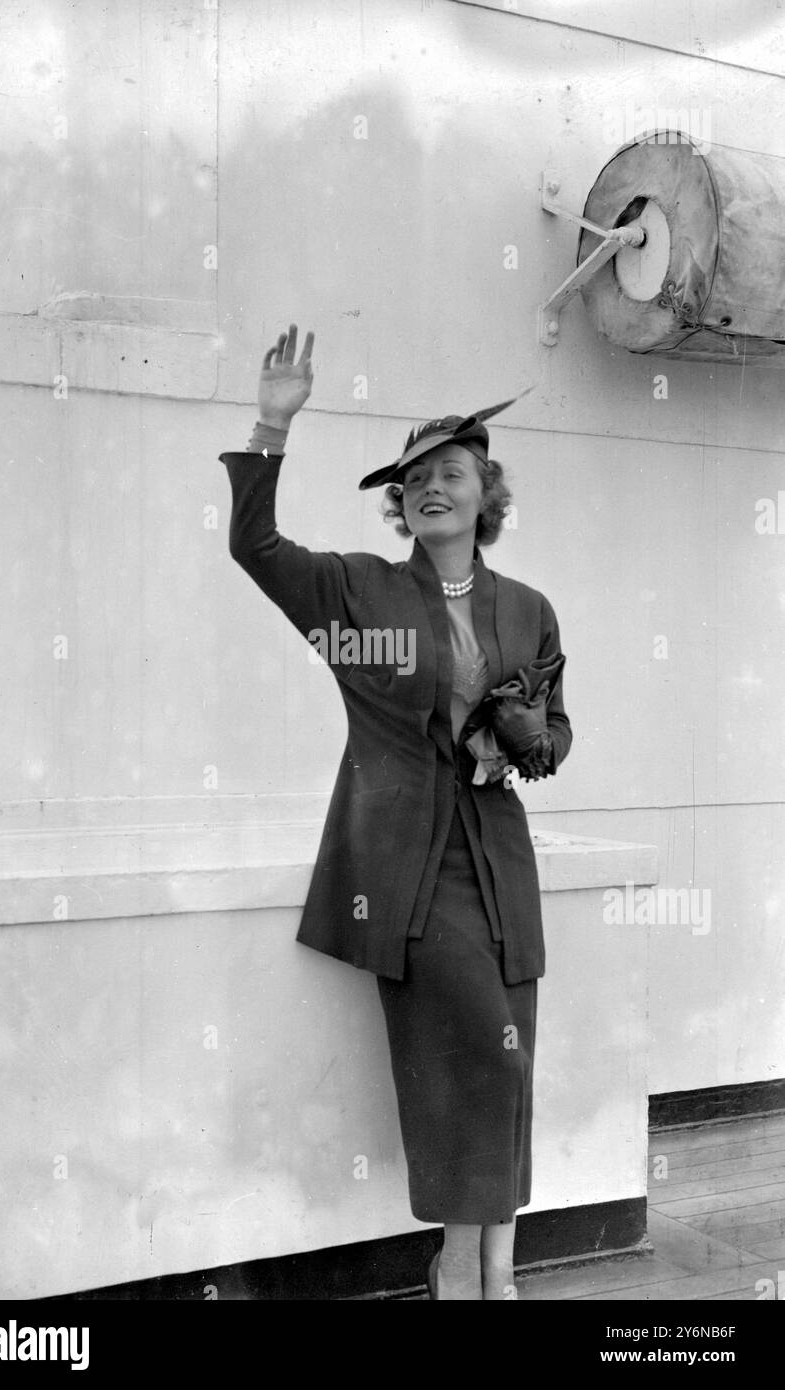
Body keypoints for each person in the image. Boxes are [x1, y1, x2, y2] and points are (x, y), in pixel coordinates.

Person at [221, 324, 572, 1300]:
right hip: (406, 875)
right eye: (414, 476)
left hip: (500, 867)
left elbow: (556, 735)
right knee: (482, 1065)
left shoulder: (529, 608)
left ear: (483, 493)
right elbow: (252, 543)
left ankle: (487, 1271)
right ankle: (469, 1265)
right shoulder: (358, 590)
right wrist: (271, 421)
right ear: (399, 502)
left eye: (450, 470)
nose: (430, 485)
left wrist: (523, 736)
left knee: (511, 1063)